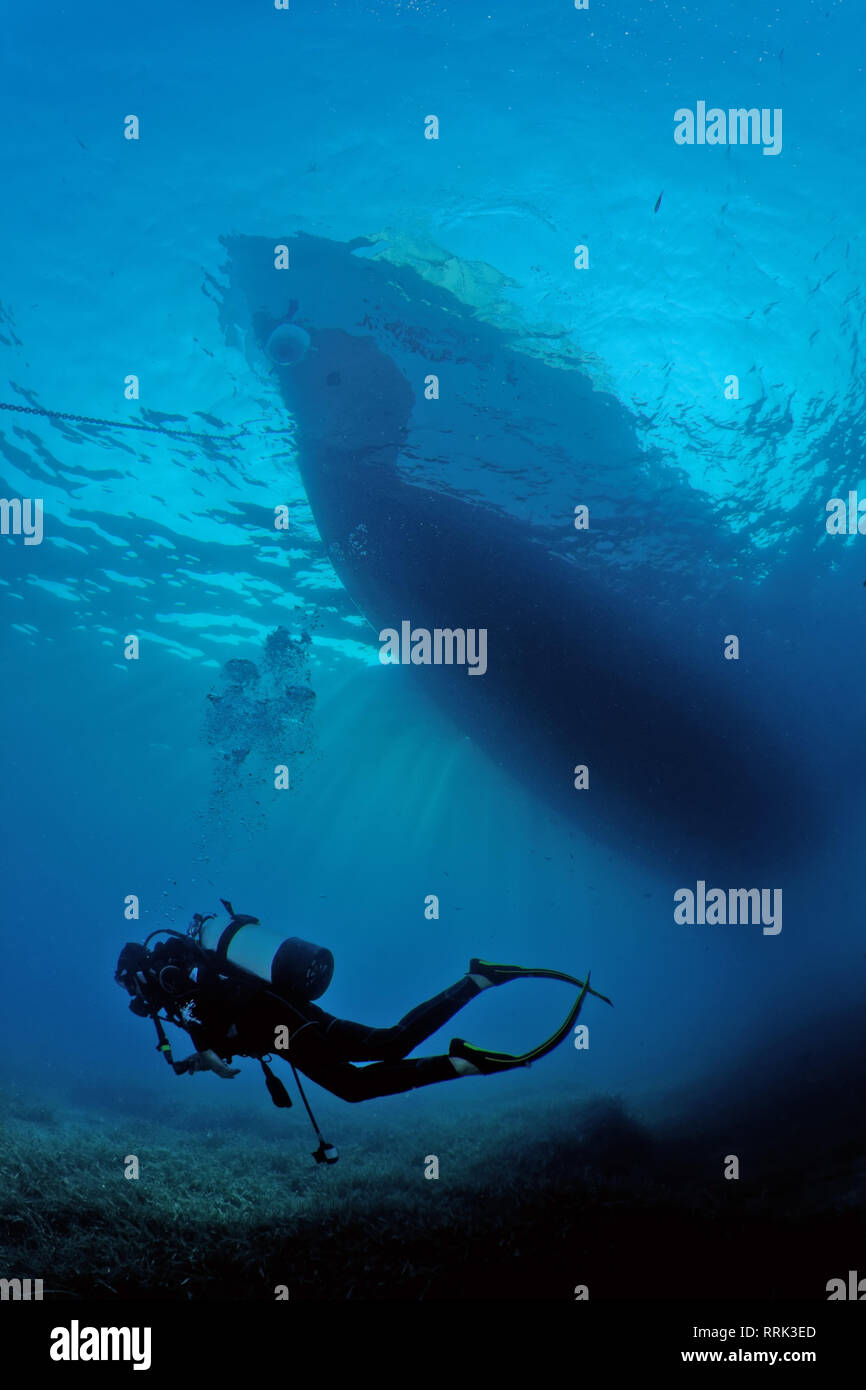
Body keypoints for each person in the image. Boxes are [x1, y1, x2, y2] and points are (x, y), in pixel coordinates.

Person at [115, 907, 611, 1106]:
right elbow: (218, 1035)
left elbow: (224, 1024)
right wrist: (208, 1057)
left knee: (359, 1079)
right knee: (388, 1043)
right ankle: (476, 981)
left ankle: (466, 1051)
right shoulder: (187, 980)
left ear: (141, 977)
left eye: (135, 992)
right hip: (290, 1017)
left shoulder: (178, 983)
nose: (140, 1003)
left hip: (283, 1024)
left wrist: (212, 1058)